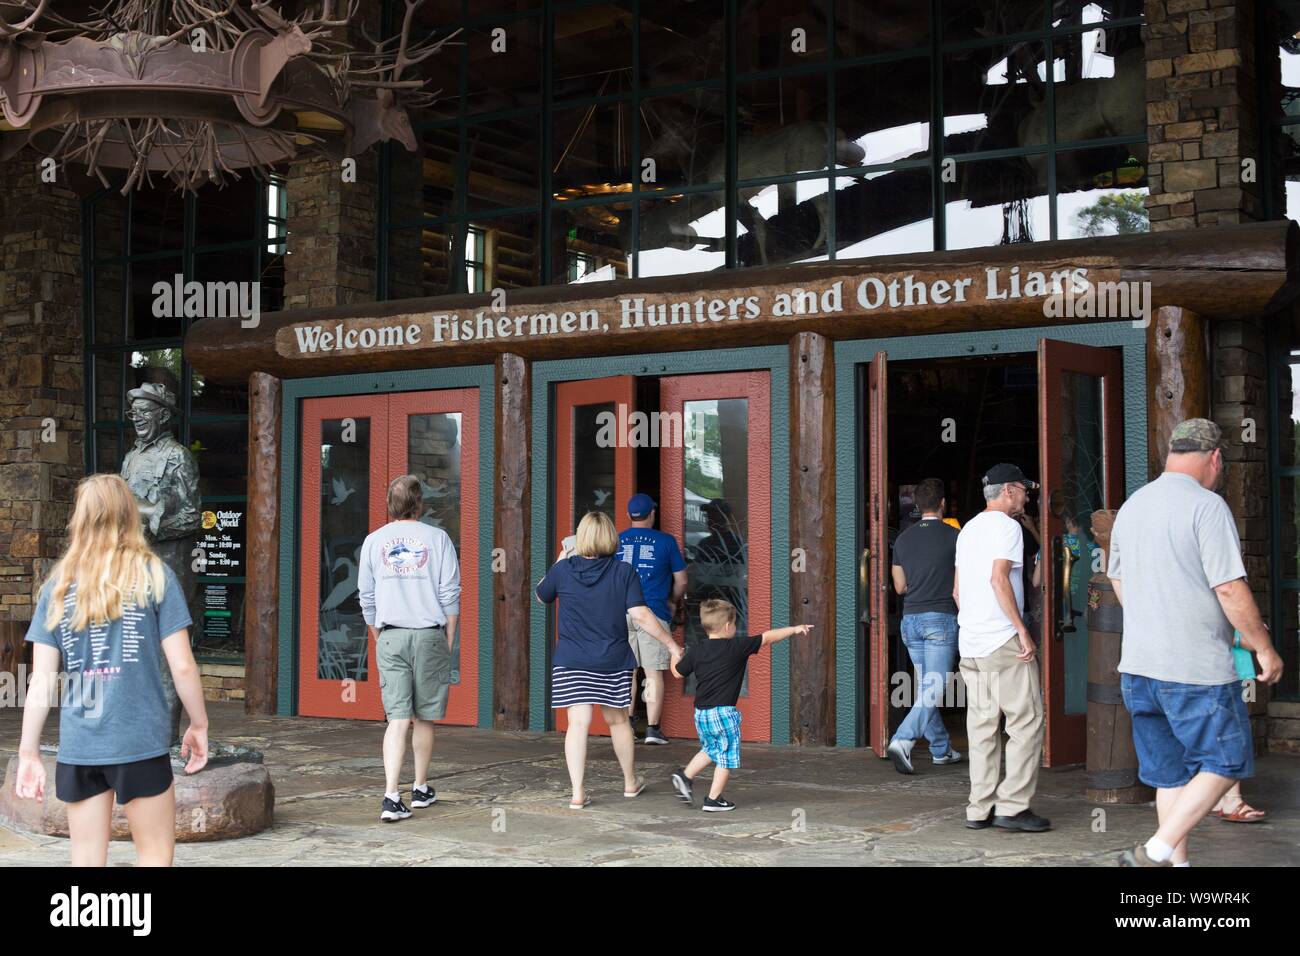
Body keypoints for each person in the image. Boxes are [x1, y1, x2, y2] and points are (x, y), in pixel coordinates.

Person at [1109, 419, 1282, 866]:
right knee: (1228, 761)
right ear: (1215, 459)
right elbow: (1229, 588)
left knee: (1170, 775)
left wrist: (1153, 619)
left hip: (1139, 669)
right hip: (1195, 670)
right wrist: (1262, 646)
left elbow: (1117, 577)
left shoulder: (1133, 505)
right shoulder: (1208, 507)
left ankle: (1176, 868)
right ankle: (1155, 851)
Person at [15, 474, 209, 866]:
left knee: (86, 860)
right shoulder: (155, 576)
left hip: (80, 746)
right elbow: (183, 667)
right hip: (140, 742)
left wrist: (28, 751)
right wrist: (199, 724)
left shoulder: (57, 587)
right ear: (130, 516)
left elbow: (40, 683)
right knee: (154, 855)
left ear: (80, 519)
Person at [537, 511, 681, 809]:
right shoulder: (624, 571)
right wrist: (671, 644)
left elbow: (541, 594)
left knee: (577, 723)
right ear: (611, 538)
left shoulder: (563, 570)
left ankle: (577, 792)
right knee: (618, 722)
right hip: (612, 658)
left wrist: (561, 558)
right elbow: (641, 615)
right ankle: (630, 782)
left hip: (572, 659)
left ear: (581, 539)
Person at [358, 474, 461, 823]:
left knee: (398, 717)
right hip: (430, 634)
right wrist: (449, 636)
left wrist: (379, 635)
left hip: (390, 634)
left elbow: (366, 597)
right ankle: (420, 788)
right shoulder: (438, 538)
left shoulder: (373, 541)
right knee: (426, 716)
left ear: (390, 504)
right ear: (420, 503)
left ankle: (390, 795)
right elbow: (450, 593)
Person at [954, 463, 1051, 833]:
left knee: (982, 728)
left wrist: (976, 624)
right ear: (1009, 490)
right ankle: (1012, 806)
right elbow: (999, 579)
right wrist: (1021, 630)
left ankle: (979, 808)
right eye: (1024, 490)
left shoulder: (967, 530)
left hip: (972, 643)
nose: (1027, 497)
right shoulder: (1008, 528)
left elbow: (958, 592)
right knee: (1026, 722)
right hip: (1001, 641)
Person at [669, 599, 812, 811]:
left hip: (701, 714)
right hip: (723, 713)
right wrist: (794, 629)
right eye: (734, 623)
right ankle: (713, 800)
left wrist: (675, 654)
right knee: (725, 758)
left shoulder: (697, 651)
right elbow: (768, 638)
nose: (736, 627)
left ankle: (685, 776)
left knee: (711, 748)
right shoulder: (737, 646)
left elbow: (677, 672)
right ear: (728, 626)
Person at [886, 477, 963, 774]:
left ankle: (941, 749)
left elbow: (900, 586)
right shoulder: (956, 536)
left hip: (911, 621)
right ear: (943, 504)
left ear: (918, 506)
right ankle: (903, 739)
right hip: (941, 618)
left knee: (927, 688)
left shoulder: (903, 539)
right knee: (935, 686)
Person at [618, 493, 688, 744]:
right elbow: (682, 580)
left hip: (620, 613)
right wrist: (672, 601)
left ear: (629, 516)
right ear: (652, 514)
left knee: (628, 673)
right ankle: (652, 730)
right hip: (653, 613)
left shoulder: (617, 540)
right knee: (652, 672)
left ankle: (625, 728)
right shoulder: (666, 542)